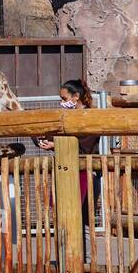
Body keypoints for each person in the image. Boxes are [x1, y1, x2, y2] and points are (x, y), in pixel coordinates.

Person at [37, 80, 100, 249]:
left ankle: (85, 262)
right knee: (66, 218)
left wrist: (56, 144)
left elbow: (83, 145)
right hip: (68, 173)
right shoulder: (67, 116)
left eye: (64, 98)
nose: (62, 102)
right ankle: (67, 259)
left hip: (86, 173)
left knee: (83, 222)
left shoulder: (90, 116)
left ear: (76, 97)